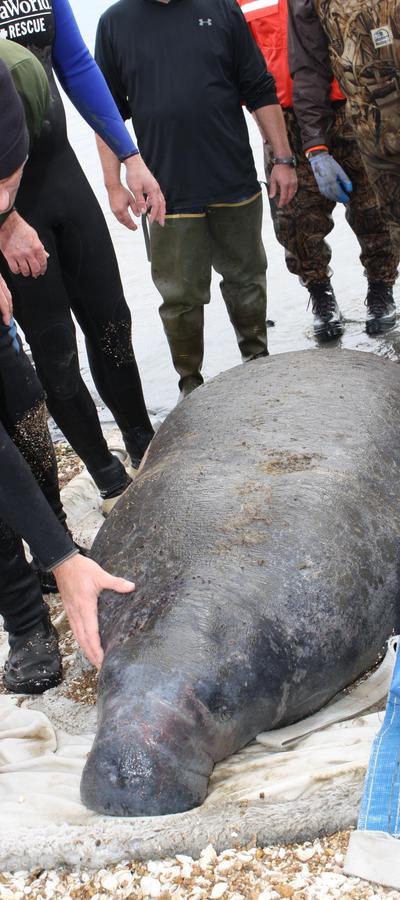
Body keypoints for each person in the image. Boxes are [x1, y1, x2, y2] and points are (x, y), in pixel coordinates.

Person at [0, 0, 165, 520]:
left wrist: (129, 155)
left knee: (112, 320)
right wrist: (4, 221)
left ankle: (144, 445)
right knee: (55, 350)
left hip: (62, 177)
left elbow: (75, 66)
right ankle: (107, 476)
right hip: (9, 205)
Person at [0, 60, 134, 692]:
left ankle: (57, 546)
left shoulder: (16, 76)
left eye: (6, 185)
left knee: (25, 400)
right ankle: (25, 618)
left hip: (44, 177)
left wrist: (6, 222)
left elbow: (76, 69)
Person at [94, 0, 297, 399]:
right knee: (180, 298)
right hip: (165, 188)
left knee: (247, 278)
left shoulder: (220, 6)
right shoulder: (114, 23)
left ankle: (258, 362)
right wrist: (113, 185)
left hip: (232, 175)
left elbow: (258, 86)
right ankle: (190, 386)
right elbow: (105, 113)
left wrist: (283, 158)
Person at [239, 0, 398, 339]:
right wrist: (268, 131)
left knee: (374, 208)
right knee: (294, 219)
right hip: (285, 119)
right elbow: (238, 66)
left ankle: (381, 288)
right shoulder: (240, 3)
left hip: (353, 107)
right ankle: (321, 295)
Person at [287, 0, 400, 331]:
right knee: (390, 224)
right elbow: (309, 67)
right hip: (374, 134)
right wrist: (315, 146)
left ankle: (381, 288)